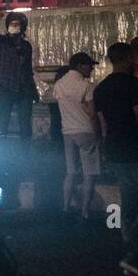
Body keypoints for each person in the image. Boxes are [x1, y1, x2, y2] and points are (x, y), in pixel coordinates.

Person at [94, 42, 138, 276]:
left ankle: (134, 258)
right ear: (126, 58)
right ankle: (133, 254)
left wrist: (104, 149)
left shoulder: (101, 88)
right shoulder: (132, 83)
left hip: (114, 149)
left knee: (130, 200)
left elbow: (103, 124)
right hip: (134, 148)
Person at [54, 52, 99, 220]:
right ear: (80, 66)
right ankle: (85, 213)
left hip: (68, 132)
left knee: (70, 172)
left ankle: (65, 208)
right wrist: (99, 134)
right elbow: (93, 114)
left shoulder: (59, 84)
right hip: (86, 131)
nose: (92, 69)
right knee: (90, 174)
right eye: (90, 65)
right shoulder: (87, 86)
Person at [0, 10, 38, 154]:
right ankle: (0, 151)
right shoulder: (2, 41)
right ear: (8, 25)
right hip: (6, 87)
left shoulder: (26, 45)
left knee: (25, 121)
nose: (15, 26)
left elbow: (26, 66)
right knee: (3, 120)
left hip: (24, 88)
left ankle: (25, 151)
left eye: (17, 24)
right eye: (12, 24)